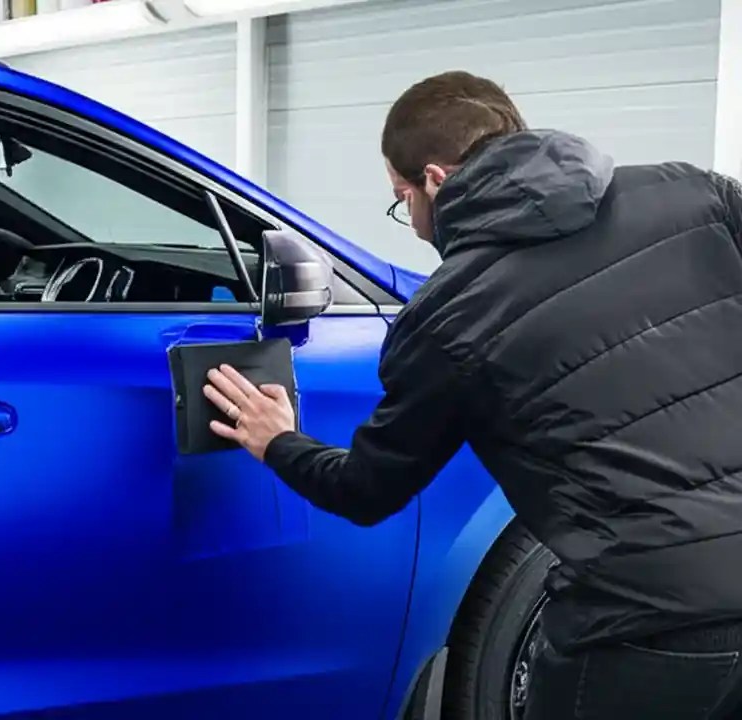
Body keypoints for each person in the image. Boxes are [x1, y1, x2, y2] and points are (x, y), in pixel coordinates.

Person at [203, 70, 742, 719]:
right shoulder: (694, 192)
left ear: (433, 180)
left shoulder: (447, 316)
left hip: (642, 626)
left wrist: (278, 439)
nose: (411, 221)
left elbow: (368, 490)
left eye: (402, 200)